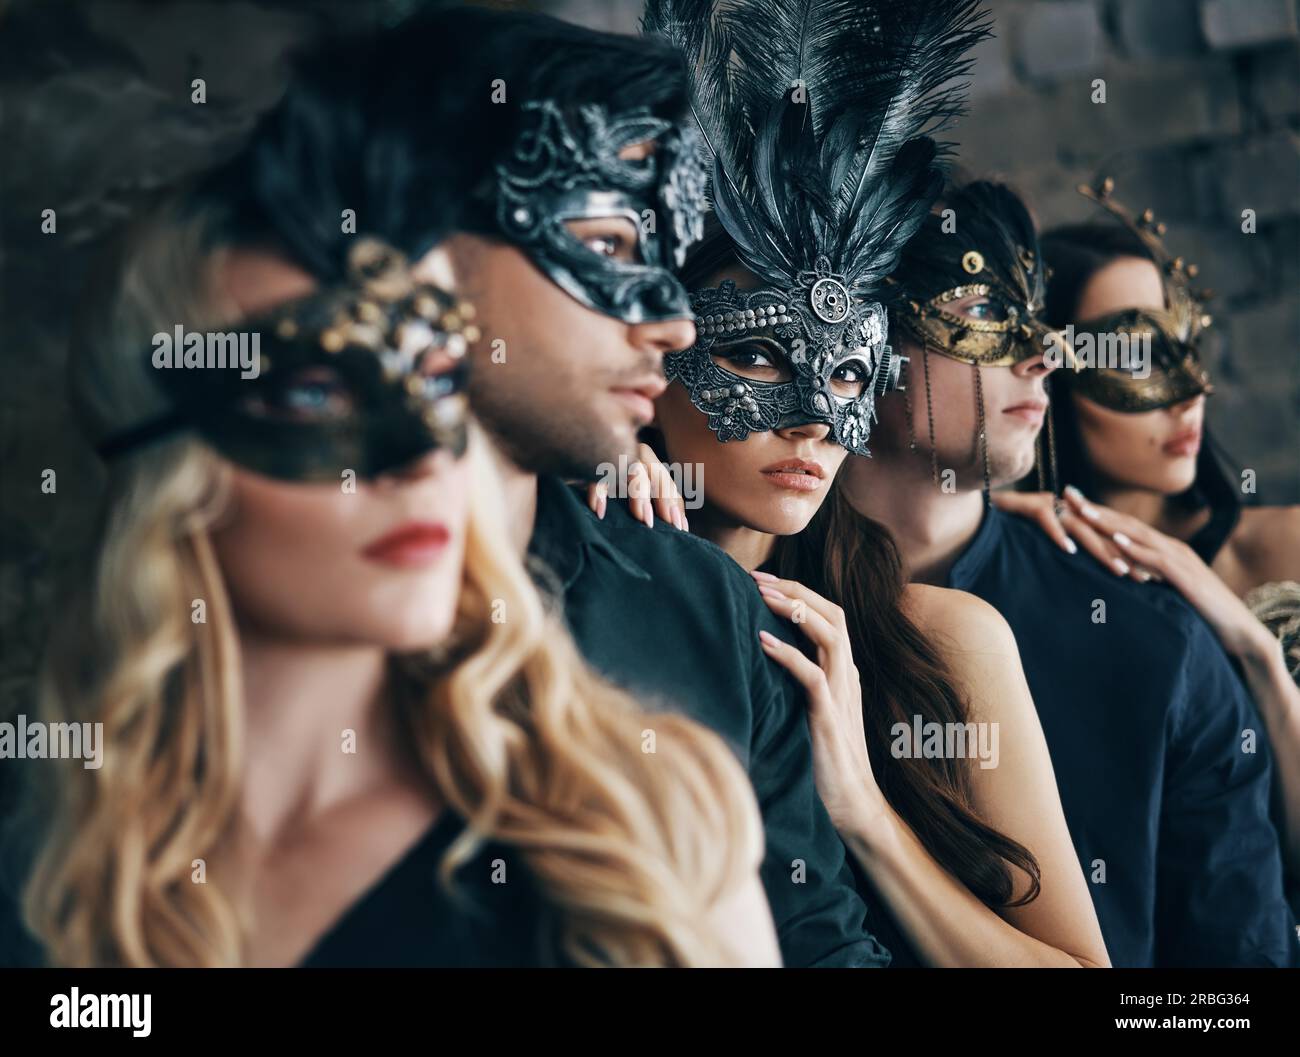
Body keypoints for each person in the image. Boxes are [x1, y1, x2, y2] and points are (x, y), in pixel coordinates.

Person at [195, 5, 885, 966]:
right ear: (421, 242)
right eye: (606, 248)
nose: (668, 322)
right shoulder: (267, 608)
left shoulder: (703, 609)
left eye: (663, 254)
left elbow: (820, 945)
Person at [0, 198, 778, 968]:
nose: (422, 457)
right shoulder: (45, 864)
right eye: (316, 394)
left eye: (439, 380)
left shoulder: (653, 818)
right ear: (163, 459)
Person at [612, 0, 1109, 968]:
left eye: (842, 372)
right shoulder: (575, 576)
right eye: (756, 353)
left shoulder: (938, 646)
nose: (807, 416)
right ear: (652, 357)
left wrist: (867, 815)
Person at [835, 177, 1298, 966]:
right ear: (857, 329)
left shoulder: (1159, 644)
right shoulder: (748, 598)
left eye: (1040, 311)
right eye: (984, 309)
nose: (1045, 349)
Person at [992, 178, 1300, 880]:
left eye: (1187, 343)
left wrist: (1256, 651)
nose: (1192, 390)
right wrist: (981, 521)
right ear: (1050, 369)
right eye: (1135, 357)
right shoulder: (1014, 588)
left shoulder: (1286, 545)